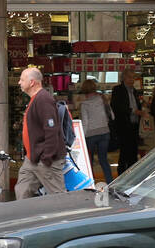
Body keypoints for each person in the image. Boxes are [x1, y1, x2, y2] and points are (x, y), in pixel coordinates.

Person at [15, 67, 66, 199]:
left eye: (22, 79)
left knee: (59, 198)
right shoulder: (36, 99)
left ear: (32, 82)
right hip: (32, 158)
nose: (19, 82)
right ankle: (24, 213)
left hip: (45, 160)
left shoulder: (43, 99)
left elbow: (51, 130)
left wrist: (46, 158)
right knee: (22, 192)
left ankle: (65, 214)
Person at [78, 78, 113, 185]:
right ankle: (110, 182)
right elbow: (112, 115)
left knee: (89, 161)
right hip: (104, 132)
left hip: (91, 135)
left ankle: (91, 184)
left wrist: (82, 138)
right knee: (103, 160)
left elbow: (85, 123)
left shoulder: (84, 104)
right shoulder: (102, 99)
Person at [111, 69, 142, 173]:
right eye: (130, 77)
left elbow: (137, 104)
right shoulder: (118, 90)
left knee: (133, 152)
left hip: (135, 125)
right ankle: (122, 173)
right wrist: (133, 111)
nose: (132, 80)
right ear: (124, 78)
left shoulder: (135, 91)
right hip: (123, 125)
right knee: (124, 152)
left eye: (133, 77)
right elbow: (116, 106)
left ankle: (133, 173)